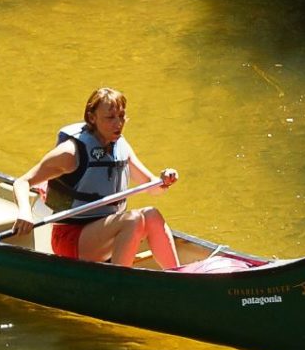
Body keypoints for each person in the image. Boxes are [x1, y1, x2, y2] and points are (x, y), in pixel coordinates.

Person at [11, 87, 181, 268]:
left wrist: (164, 180)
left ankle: (179, 277)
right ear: (93, 118)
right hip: (71, 238)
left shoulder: (121, 147)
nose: (118, 124)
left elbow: (152, 187)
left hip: (106, 231)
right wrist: (24, 212)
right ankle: (118, 283)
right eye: (110, 118)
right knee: (133, 219)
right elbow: (22, 182)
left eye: (122, 116)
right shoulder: (71, 152)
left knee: (152, 215)